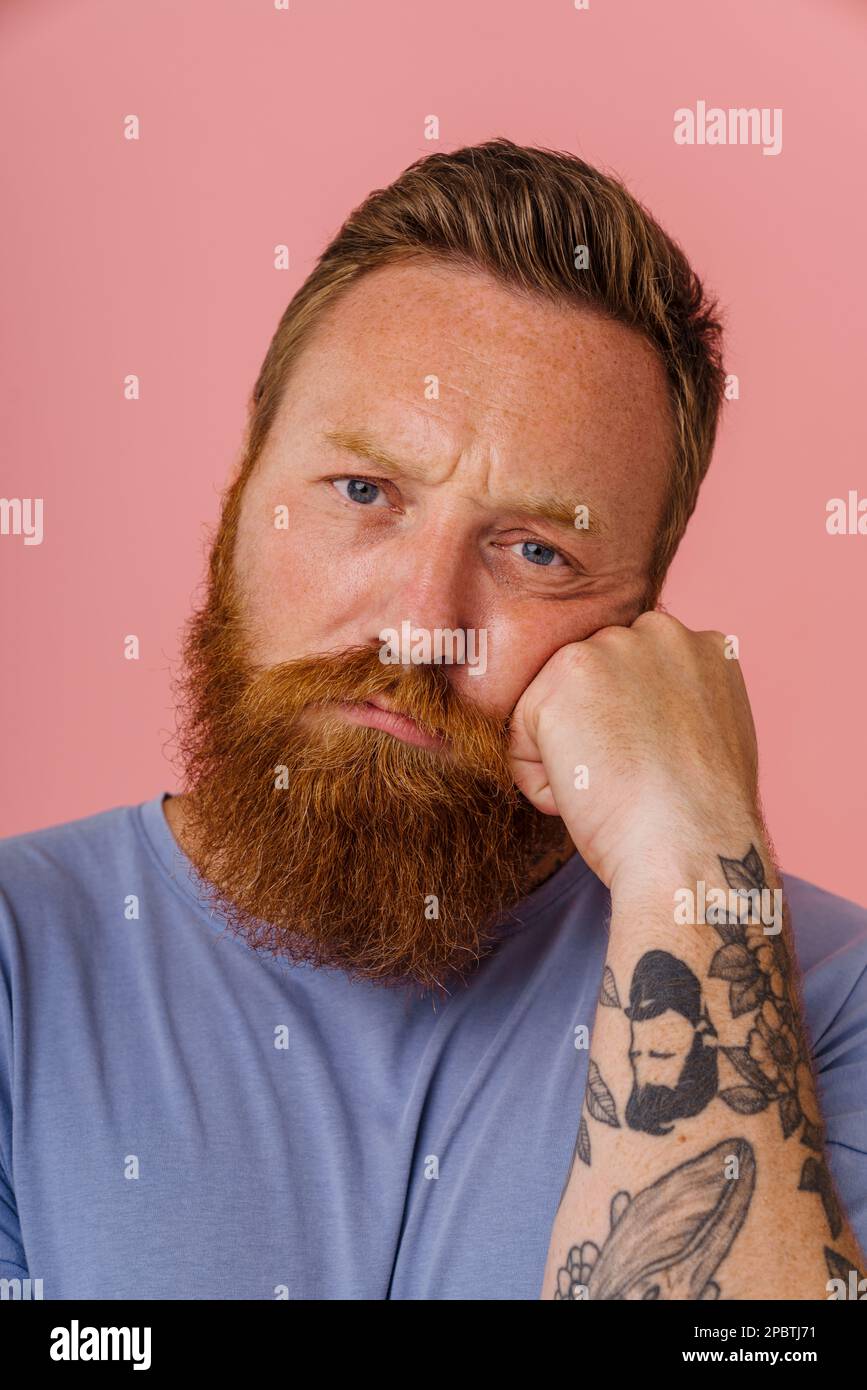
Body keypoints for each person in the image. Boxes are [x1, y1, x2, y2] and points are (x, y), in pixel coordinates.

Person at [1, 139, 865, 1301]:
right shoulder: (22, 963)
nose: (421, 625)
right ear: (241, 498)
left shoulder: (817, 998)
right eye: (365, 493)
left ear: (642, 628)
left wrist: (688, 849)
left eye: (535, 551)